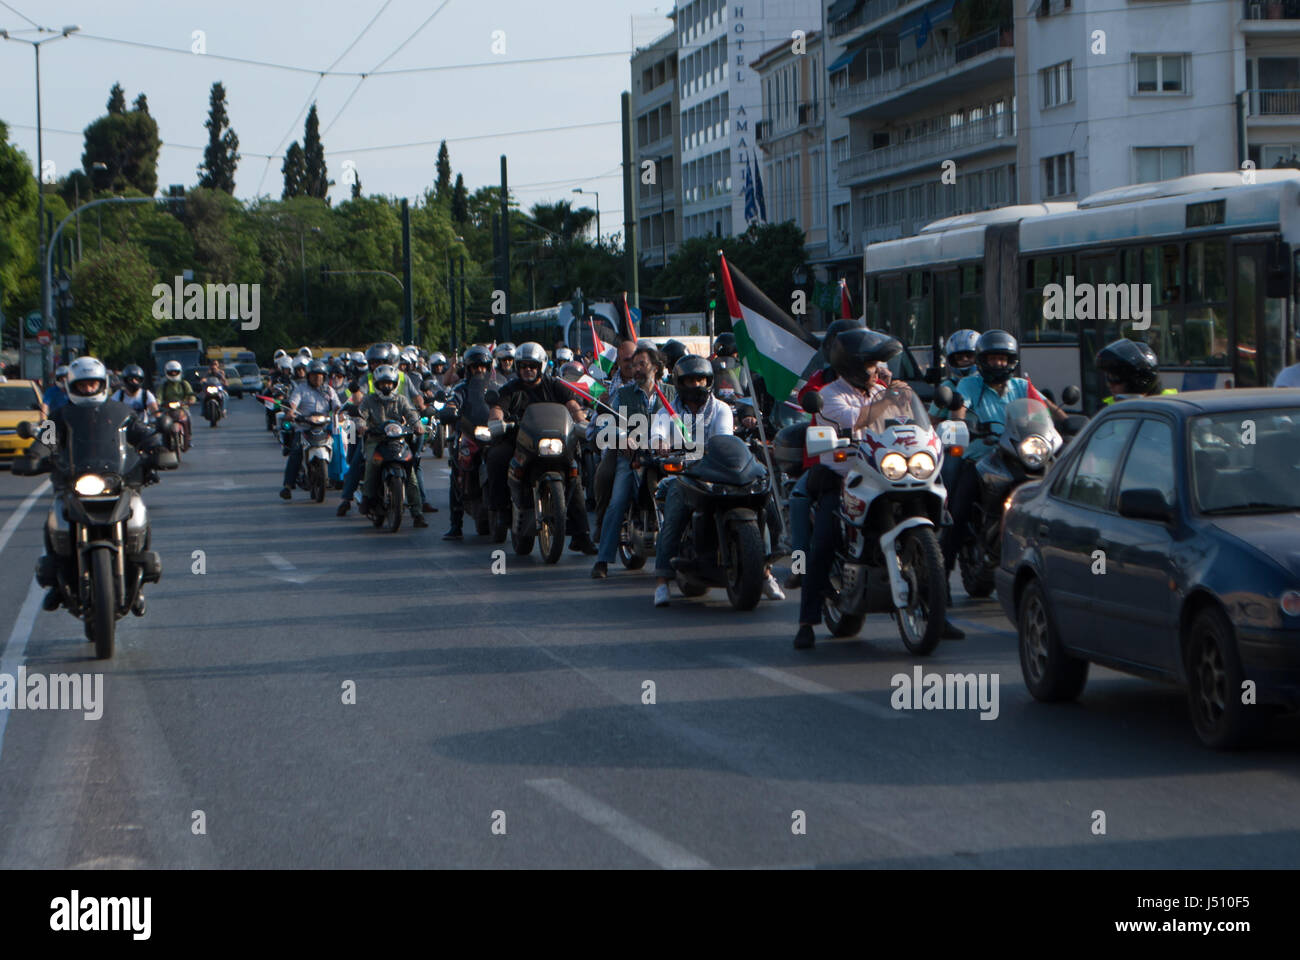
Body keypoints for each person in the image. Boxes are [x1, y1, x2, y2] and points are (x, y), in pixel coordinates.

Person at [794, 329, 926, 649]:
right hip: (842, 478)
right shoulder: (829, 394)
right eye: (870, 364)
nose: (876, 369)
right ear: (852, 366)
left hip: (885, 475)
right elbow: (859, 420)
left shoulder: (882, 391)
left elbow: (912, 424)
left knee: (932, 525)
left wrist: (906, 399)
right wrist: (891, 398)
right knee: (823, 541)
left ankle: (937, 610)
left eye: (877, 363)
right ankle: (807, 621)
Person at [941, 331, 1067, 628]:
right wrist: (959, 422)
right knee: (957, 511)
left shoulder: (1022, 385)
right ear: (982, 360)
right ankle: (940, 578)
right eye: (993, 358)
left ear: (1012, 361)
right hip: (982, 455)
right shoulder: (969, 384)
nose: (998, 363)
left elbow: (1047, 410)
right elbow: (959, 408)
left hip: (1021, 454)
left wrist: (1067, 420)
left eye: (1003, 358)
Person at [24, 357, 164, 613]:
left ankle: (140, 577)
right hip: (73, 483)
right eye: (83, 385)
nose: (88, 389)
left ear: (103, 384)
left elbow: (141, 432)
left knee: (138, 511)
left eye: (93, 384)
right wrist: (34, 455)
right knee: (56, 516)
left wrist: (158, 447)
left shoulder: (121, 413)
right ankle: (57, 582)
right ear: (72, 386)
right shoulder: (61, 415)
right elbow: (46, 439)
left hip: (116, 480)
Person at [652, 355, 787, 606]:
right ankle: (662, 582)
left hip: (720, 473)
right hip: (686, 475)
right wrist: (660, 442)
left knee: (760, 496)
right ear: (680, 383)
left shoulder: (721, 409)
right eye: (690, 380)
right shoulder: (666, 412)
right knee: (673, 513)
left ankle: (765, 571)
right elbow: (657, 433)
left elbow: (723, 439)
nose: (697, 385)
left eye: (701, 380)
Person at [486, 342, 597, 554]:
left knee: (574, 473)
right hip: (521, 441)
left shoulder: (555, 385)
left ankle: (582, 535)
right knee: (497, 456)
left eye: (533, 366)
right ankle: (501, 510)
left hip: (553, 442)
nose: (528, 370)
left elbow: (573, 406)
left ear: (541, 366)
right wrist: (496, 421)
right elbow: (498, 407)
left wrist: (582, 422)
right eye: (523, 366)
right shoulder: (511, 389)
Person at [592, 342, 675, 578]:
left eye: (642, 364)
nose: (636, 369)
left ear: (656, 367)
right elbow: (607, 423)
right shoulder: (623, 394)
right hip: (632, 458)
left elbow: (684, 421)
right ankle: (602, 560)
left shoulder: (672, 393)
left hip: (664, 458)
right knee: (618, 501)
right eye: (634, 364)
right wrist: (623, 438)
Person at [355, 365, 427, 526]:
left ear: (394, 384)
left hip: (398, 441)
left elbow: (411, 413)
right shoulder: (369, 400)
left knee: (411, 474)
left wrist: (417, 425)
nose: (386, 386)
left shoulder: (401, 399)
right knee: (371, 464)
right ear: (377, 384)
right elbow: (361, 416)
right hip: (376, 440)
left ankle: (417, 513)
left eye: (389, 383)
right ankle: (368, 497)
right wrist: (361, 425)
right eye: (383, 383)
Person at [441, 345, 494, 539]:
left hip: (492, 434)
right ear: (468, 369)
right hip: (468, 433)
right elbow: (453, 401)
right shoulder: (461, 389)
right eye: (475, 367)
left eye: (483, 366)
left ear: (488, 367)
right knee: (457, 470)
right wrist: (450, 409)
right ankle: (456, 525)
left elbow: (506, 404)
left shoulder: (497, 387)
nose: (479, 370)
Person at [280, 359, 341, 500]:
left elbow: (337, 406)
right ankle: (288, 486)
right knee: (295, 451)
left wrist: (340, 413)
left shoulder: (329, 390)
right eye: (314, 375)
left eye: (320, 375)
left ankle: (339, 478)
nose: (317, 378)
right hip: (304, 428)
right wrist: (291, 412)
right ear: (308, 376)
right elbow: (293, 403)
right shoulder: (301, 389)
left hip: (324, 428)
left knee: (340, 448)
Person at [1095, 338, 1177, 402]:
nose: (1109, 384)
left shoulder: (1170, 404)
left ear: (1136, 380)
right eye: (1108, 377)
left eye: (1114, 378)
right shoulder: (1110, 407)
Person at [929, 329, 980, 418]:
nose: (965, 359)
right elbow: (933, 420)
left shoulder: (986, 385)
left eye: (969, 356)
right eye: (959, 358)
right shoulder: (948, 387)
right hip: (958, 426)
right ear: (952, 360)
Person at [159, 360, 195, 451]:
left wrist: (191, 400)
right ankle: (164, 440)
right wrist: (157, 403)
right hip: (167, 409)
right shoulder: (163, 385)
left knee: (188, 417)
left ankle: (189, 438)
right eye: (171, 372)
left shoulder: (184, 384)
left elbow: (191, 394)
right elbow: (158, 397)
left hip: (182, 408)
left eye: (175, 372)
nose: (173, 374)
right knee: (162, 422)